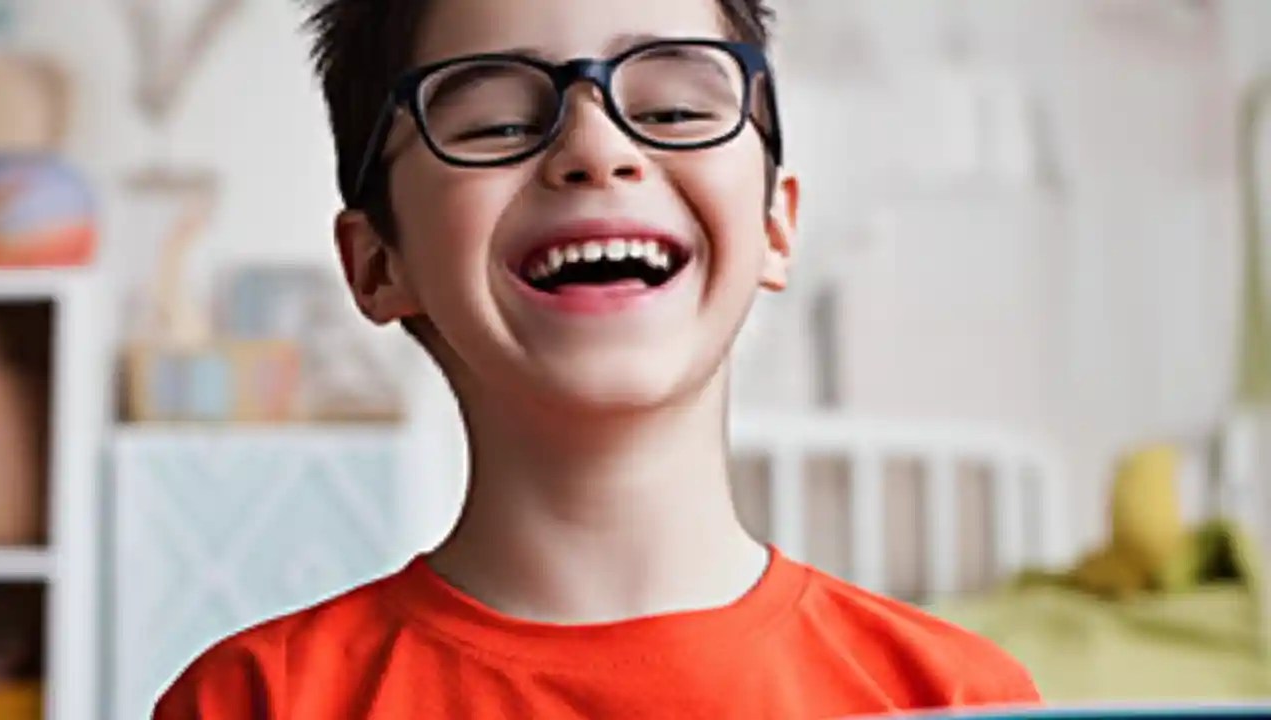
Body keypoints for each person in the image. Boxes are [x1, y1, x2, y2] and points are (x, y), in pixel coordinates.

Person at [154, 0, 1042, 717]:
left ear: (776, 226)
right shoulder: (256, 703)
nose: (597, 150)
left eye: (674, 111)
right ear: (379, 264)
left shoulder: (959, 701)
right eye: (498, 124)